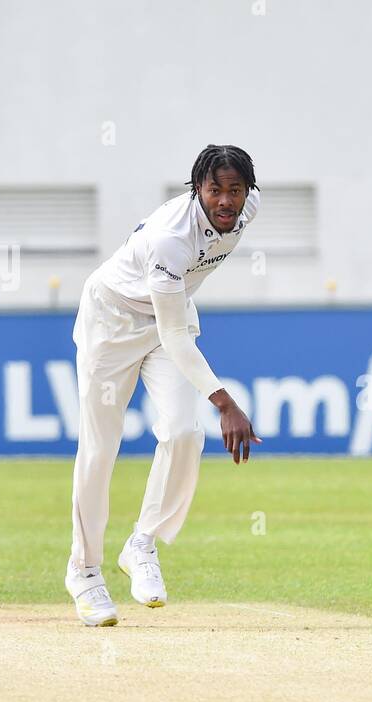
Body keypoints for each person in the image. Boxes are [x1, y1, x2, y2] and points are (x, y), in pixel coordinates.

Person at [66, 144, 262, 627]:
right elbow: (177, 336)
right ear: (197, 189)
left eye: (234, 191)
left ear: (247, 193)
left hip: (164, 319)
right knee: (100, 450)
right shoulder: (171, 238)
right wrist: (225, 402)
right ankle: (84, 572)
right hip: (111, 321)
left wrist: (211, 405)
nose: (224, 201)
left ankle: (141, 544)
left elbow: (170, 330)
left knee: (182, 433)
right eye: (214, 190)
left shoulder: (247, 209)